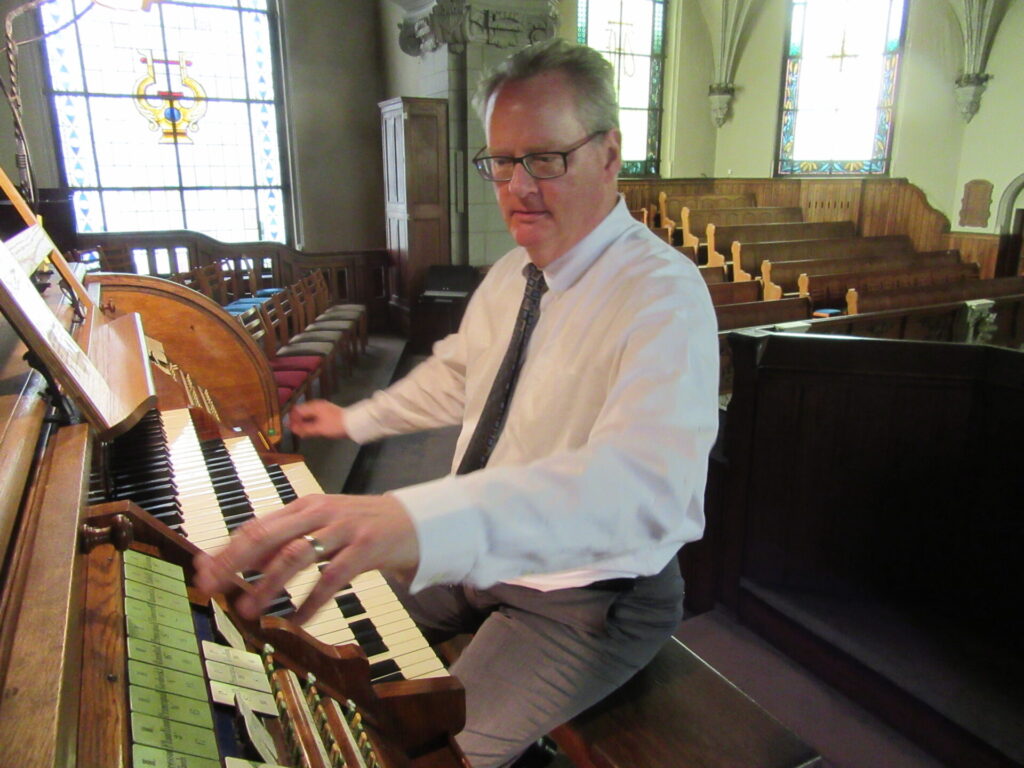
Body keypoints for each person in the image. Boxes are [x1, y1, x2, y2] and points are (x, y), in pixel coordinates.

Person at [194, 38, 718, 768]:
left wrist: (418, 518)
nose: (518, 186)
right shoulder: (510, 274)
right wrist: (355, 419)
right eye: (501, 161)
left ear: (608, 154)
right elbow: (457, 377)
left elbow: (644, 488)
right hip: (478, 560)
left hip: (590, 596)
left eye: (545, 158)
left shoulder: (663, 295)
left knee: (417, 755)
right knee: (295, 632)